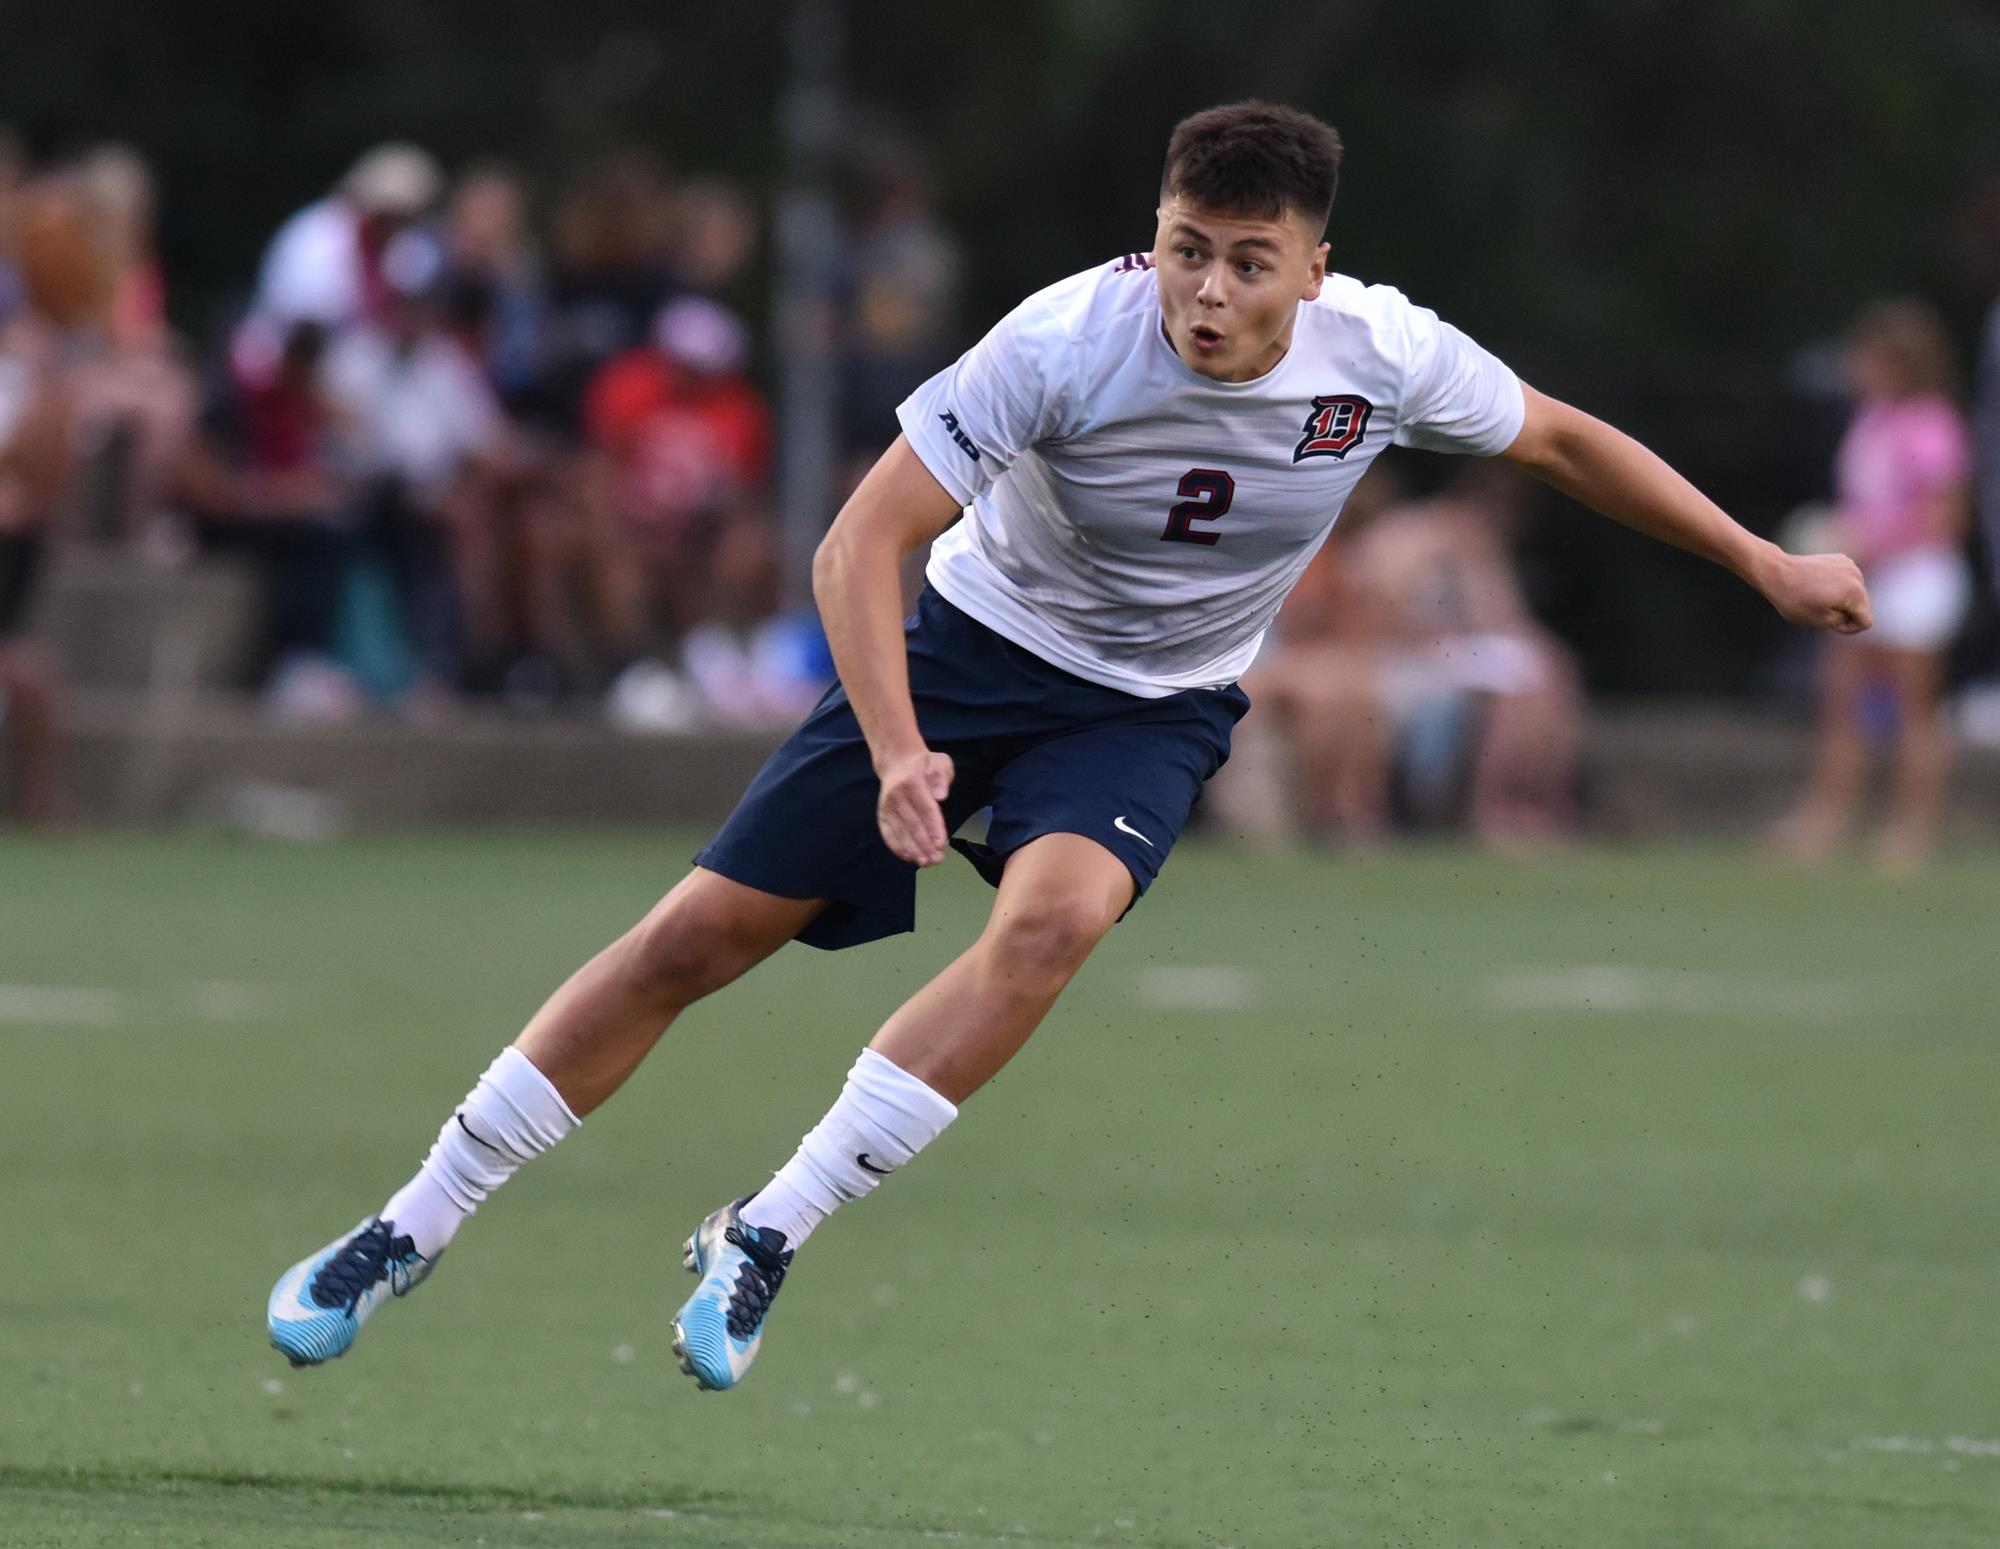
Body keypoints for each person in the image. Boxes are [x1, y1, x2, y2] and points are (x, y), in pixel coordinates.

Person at [267, 102, 1869, 1388]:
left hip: (1156, 704)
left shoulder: (1380, 356)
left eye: (1250, 263)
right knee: (695, 943)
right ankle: (408, 1226)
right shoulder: (1063, 341)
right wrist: (898, 746)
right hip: (967, 656)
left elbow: (1570, 440)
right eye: (1188, 252)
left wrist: (1766, 563)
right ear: (1151, 240)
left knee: (1053, 923)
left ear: (1316, 269)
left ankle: (766, 1230)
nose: (1211, 295)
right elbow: (854, 549)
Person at [1772, 299, 1972, 868]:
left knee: (1914, 705)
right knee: (1841, 700)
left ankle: (1909, 829)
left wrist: (1871, 542)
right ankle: (1827, 816)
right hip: (1864, 573)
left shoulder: (1931, 424)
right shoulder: (1870, 419)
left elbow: (1943, 517)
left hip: (1913, 578)